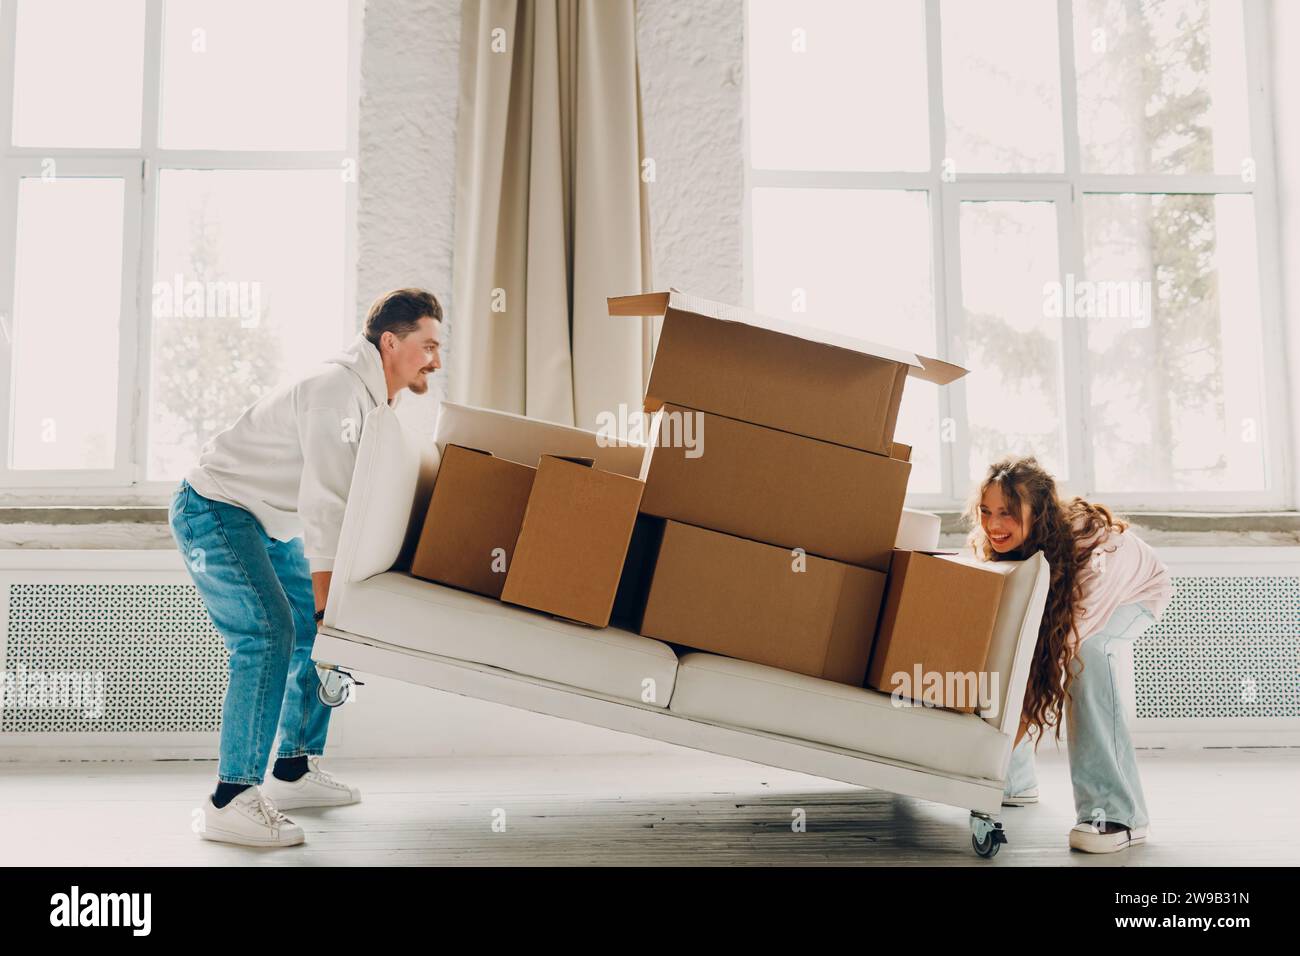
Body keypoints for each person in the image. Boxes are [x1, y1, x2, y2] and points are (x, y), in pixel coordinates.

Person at [168, 288, 443, 847]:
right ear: (390, 342)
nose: (436, 359)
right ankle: (229, 798)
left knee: (315, 634)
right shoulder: (336, 392)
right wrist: (330, 604)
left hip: (265, 522)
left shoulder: (371, 402)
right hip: (215, 509)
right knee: (268, 635)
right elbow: (325, 506)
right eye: (428, 345)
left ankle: (291, 767)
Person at [969, 456, 1173, 854]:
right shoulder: (1005, 545)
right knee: (1013, 645)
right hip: (1078, 590)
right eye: (986, 512)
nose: (994, 526)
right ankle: (1015, 780)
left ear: (1039, 513)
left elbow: (1052, 661)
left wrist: (980, 769)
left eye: (1008, 514)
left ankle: (1117, 812)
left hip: (1136, 594)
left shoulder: (1093, 558)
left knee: (1089, 658)